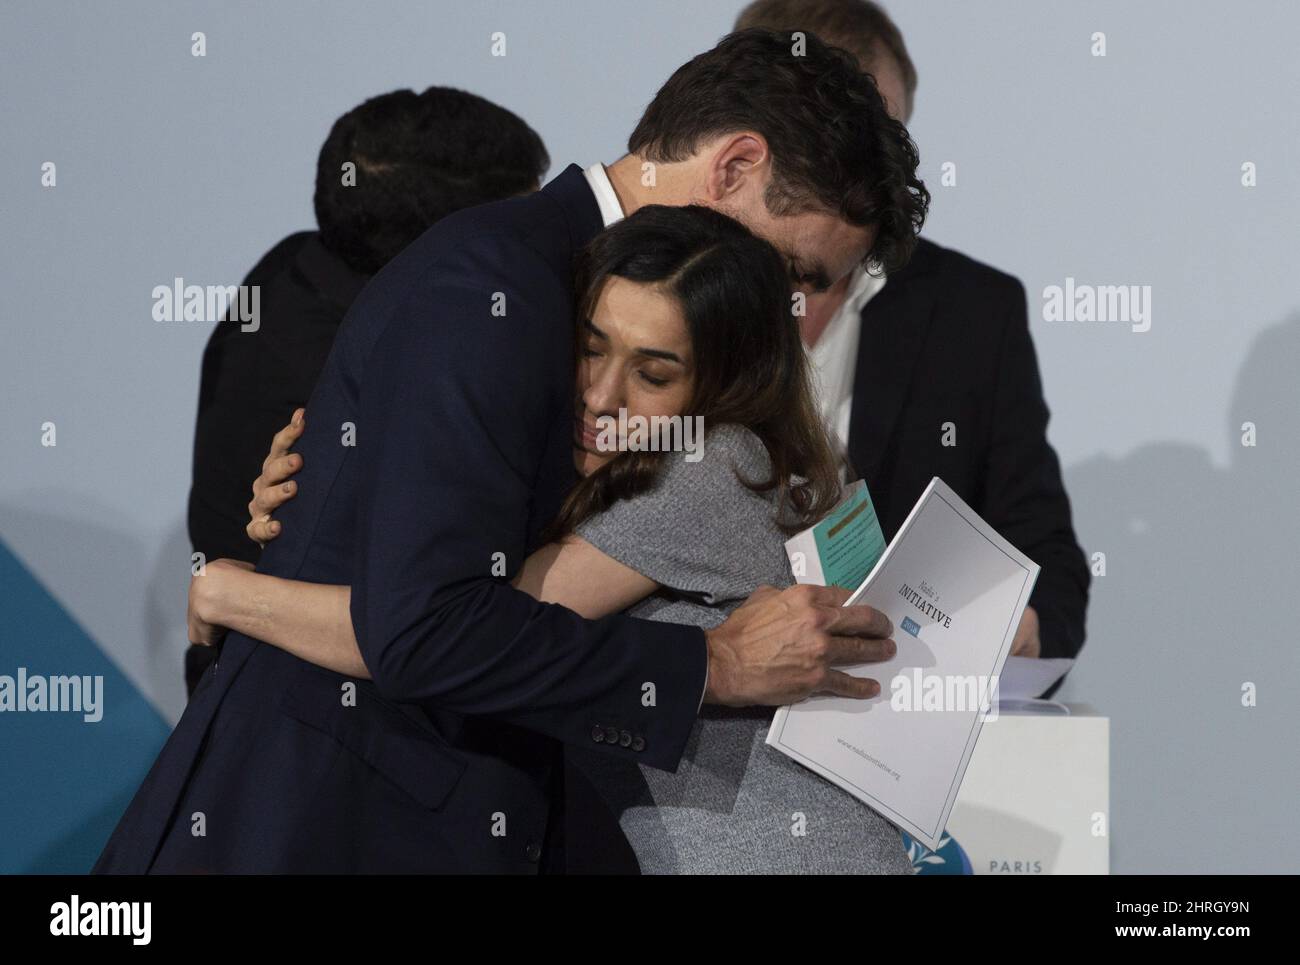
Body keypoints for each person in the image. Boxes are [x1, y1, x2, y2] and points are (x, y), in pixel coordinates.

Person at [93, 28, 928, 874]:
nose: (786, 310)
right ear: (736, 166)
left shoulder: (578, 298)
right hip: (325, 820)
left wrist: (255, 578)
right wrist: (714, 663)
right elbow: (426, 624)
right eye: (791, 267)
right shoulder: (498, 280)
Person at [192, 204, 917, 873]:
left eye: (653, 373)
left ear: (728, 382)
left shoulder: (710, 468)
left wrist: (231, 593)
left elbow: (436, 633)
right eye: (591, 348)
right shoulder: (707, 461)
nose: (602, 396)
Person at [736, 0, 1090, 668]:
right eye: (856, 141)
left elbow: (1045, 556)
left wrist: (1022, 622)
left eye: (896, 143)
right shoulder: (661, 293)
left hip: (887, 707)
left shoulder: (976, 311)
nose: (883, 172)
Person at [184, 87, 550, 695]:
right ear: (456, 240)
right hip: (313, 716)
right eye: (525, 209)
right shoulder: (397, 361)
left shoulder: (296, 264)